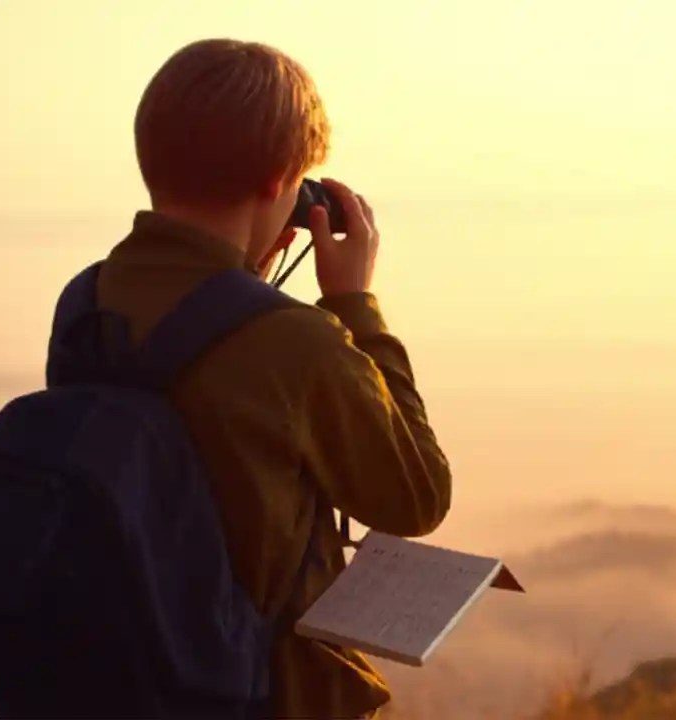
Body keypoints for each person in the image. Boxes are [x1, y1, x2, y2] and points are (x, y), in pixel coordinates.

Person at [106, 38, 452, 718]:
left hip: (125, 683)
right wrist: (355, 305)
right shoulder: (292, 342)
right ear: (278, 182)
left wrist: (240, 282)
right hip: (259, 697)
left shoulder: (88, 303)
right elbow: (417, 495)